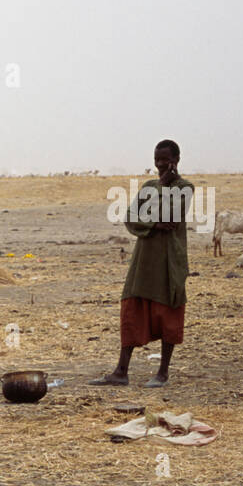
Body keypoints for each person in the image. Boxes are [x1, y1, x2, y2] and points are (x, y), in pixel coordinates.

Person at [90, 139, 193, 387]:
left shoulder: (185, 188)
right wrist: (155, 224)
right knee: (132, 309)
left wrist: (159, 199)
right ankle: (121, 371)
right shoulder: (149, 186)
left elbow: (172, 215)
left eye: (165, 159)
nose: (159, 164)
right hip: (144, 260)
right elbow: (130, 218)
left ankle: (162, 373)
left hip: (170, 260)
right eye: (156, 159)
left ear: (176, 160)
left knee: (168, 310)